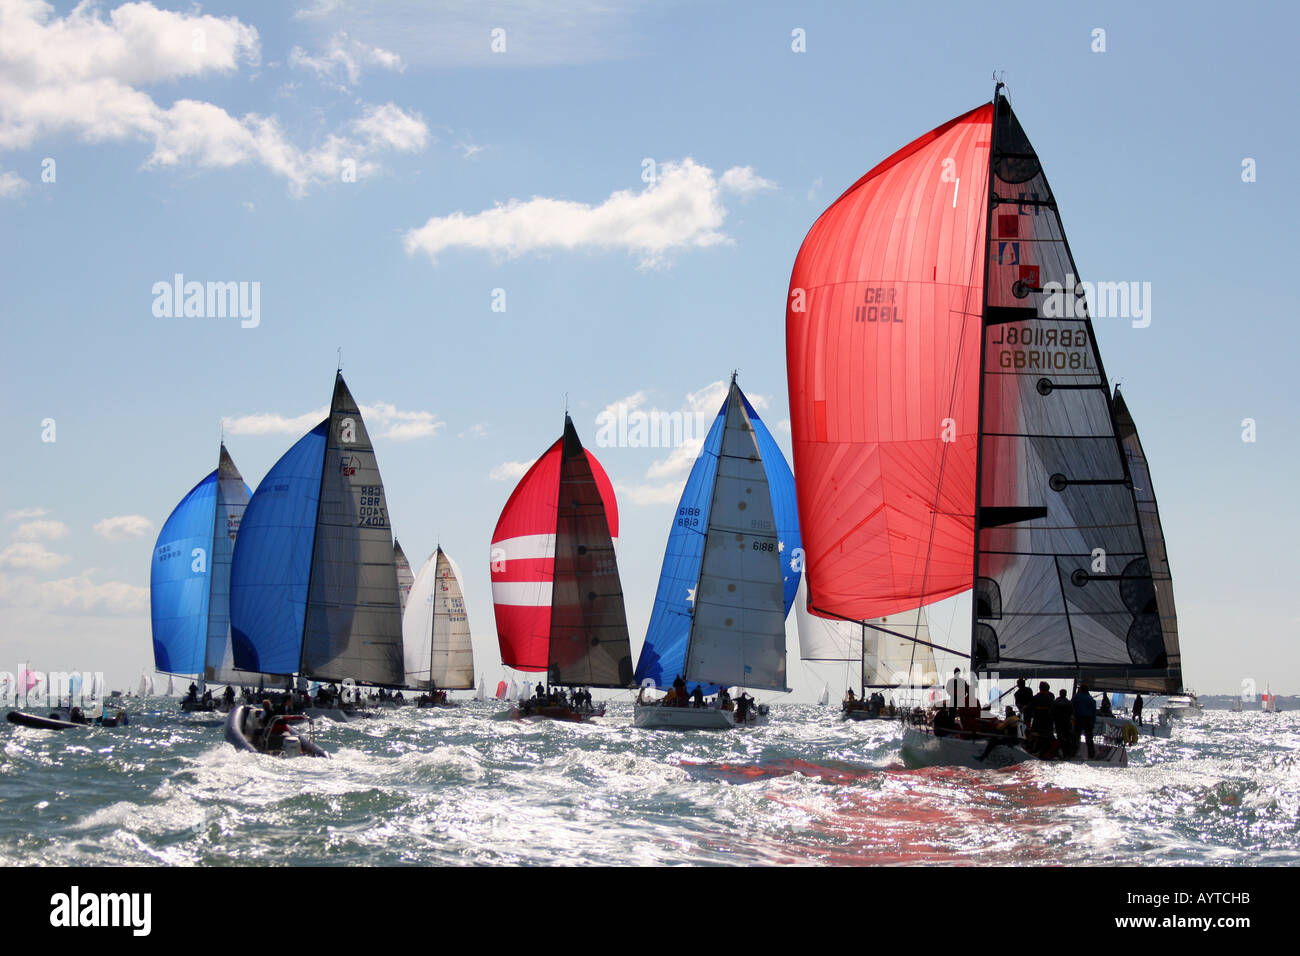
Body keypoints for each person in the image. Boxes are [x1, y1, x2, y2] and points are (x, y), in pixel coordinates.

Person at [1028, 681, 1056, 755]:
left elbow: (1030, 708)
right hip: (1047, 722)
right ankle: (1047, 751)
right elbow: (1053, 710)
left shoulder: (1035, 698)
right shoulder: (1051, 698)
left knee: (1035, 735)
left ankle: (1033, 750)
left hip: (1037, 721)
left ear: (1040, 688)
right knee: (1047, 736)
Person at [1072, 684, 1097, 760]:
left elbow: (1071, 707)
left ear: (1081, 689)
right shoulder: (1091, 699)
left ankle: (1073, 752)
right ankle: (1091, 754)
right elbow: (1094, 712)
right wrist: (1093, 722)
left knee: (1076, 736)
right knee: (1089, 737)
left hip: (1078, 718)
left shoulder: (1076, 697)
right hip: (1088, 719)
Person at [1050, 689, 1074, 758]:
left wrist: (1054, 719)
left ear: (1059, 694)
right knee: (1067, 738)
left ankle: (1057, 752)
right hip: (1067, 722)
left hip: (1058, 722)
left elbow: (1052, 712)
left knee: (1059, 737)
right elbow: (1072, 712)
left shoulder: (1055, 702)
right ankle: (1066, 753)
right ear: (1065, 694)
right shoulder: (1069, 703)